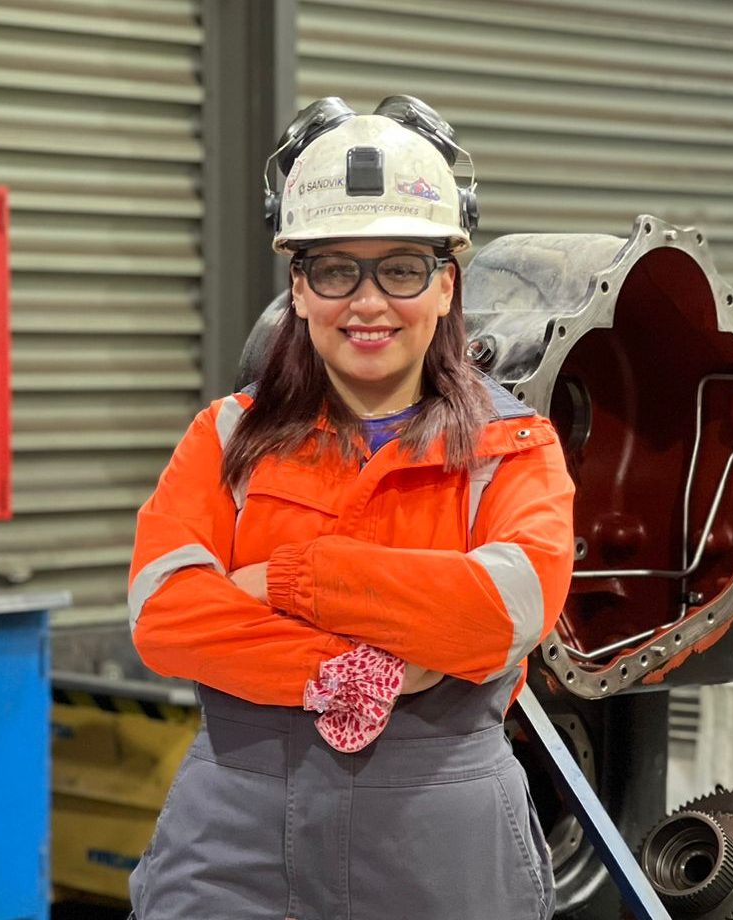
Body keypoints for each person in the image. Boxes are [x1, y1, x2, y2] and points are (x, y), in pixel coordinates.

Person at [126, 94, 576, 920]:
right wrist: (359, 671)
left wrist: (290, 578)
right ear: (298, 288)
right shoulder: (226, 436)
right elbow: (166, 613)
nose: (368, 303)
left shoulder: (514, 447)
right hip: (236, 836)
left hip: (442, 842)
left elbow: (501, 613)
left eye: (402, 268)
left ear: (447, 285)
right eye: (336, 269)